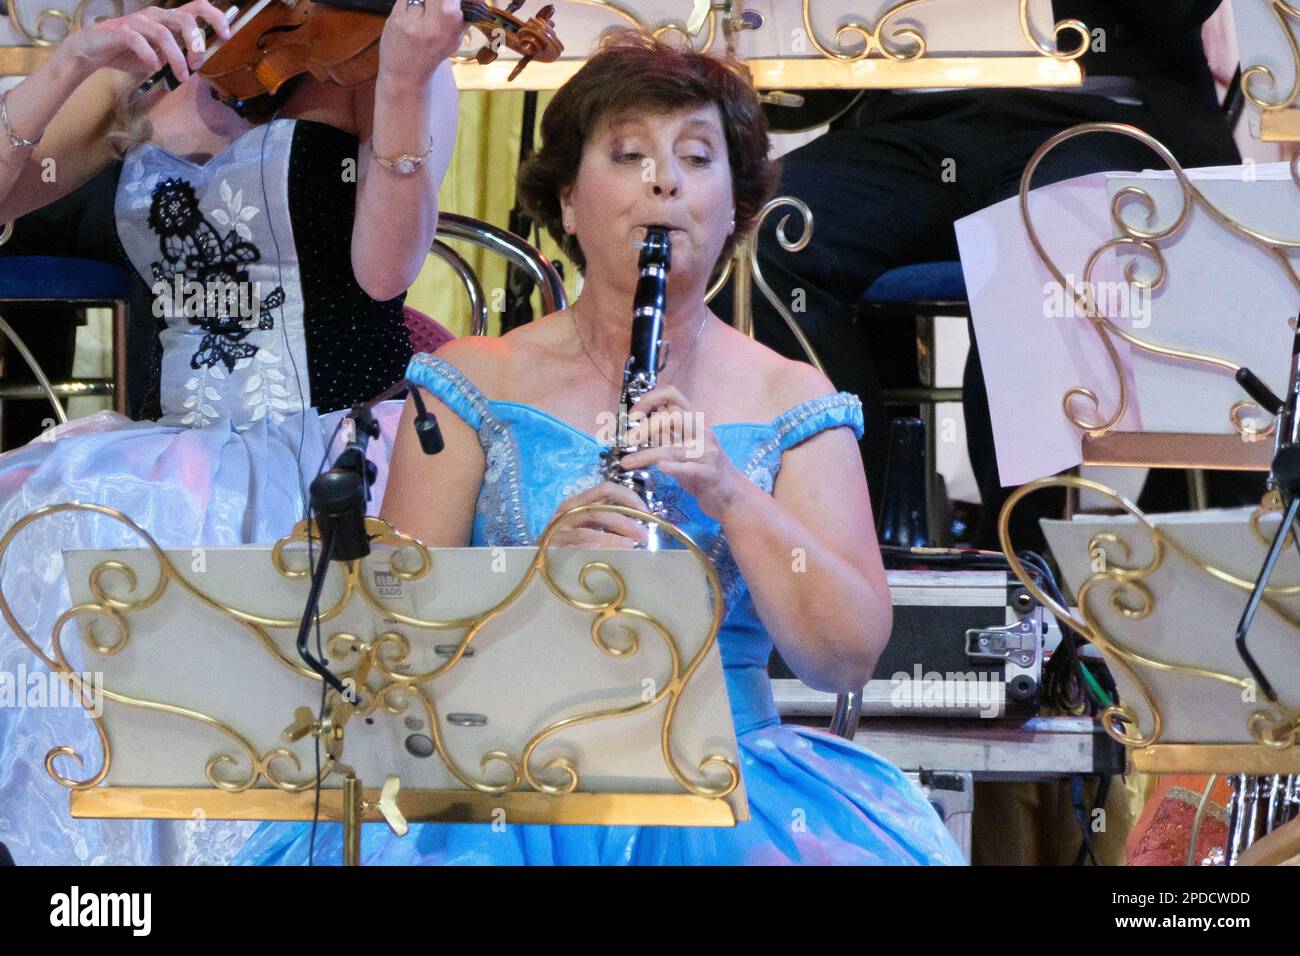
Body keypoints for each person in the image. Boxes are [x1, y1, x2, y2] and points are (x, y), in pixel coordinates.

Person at [234, 32, 965, 866]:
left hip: (727, 785)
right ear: (569, 203)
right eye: (628, 154)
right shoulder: (474, 380)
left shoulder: (792, 397)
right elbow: (387, 655)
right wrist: (529, 588)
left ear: (735, 208)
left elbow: (845, 657)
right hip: (499, 776)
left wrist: (728, 491)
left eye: (697, 157)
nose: (665, 181)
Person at [0, 0, 462, 864]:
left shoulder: (373, 49)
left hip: (339, 443)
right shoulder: (148, 69)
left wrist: (403, 78)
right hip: (178, 451)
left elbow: (385, 274)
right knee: (67, 528)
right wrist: (73, 60)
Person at [714, 0, 1251, 549]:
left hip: (1099, 119)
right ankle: (848, 543)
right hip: (911, 121)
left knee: (1041, 246)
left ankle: (1019, 572)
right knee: (753, 234)